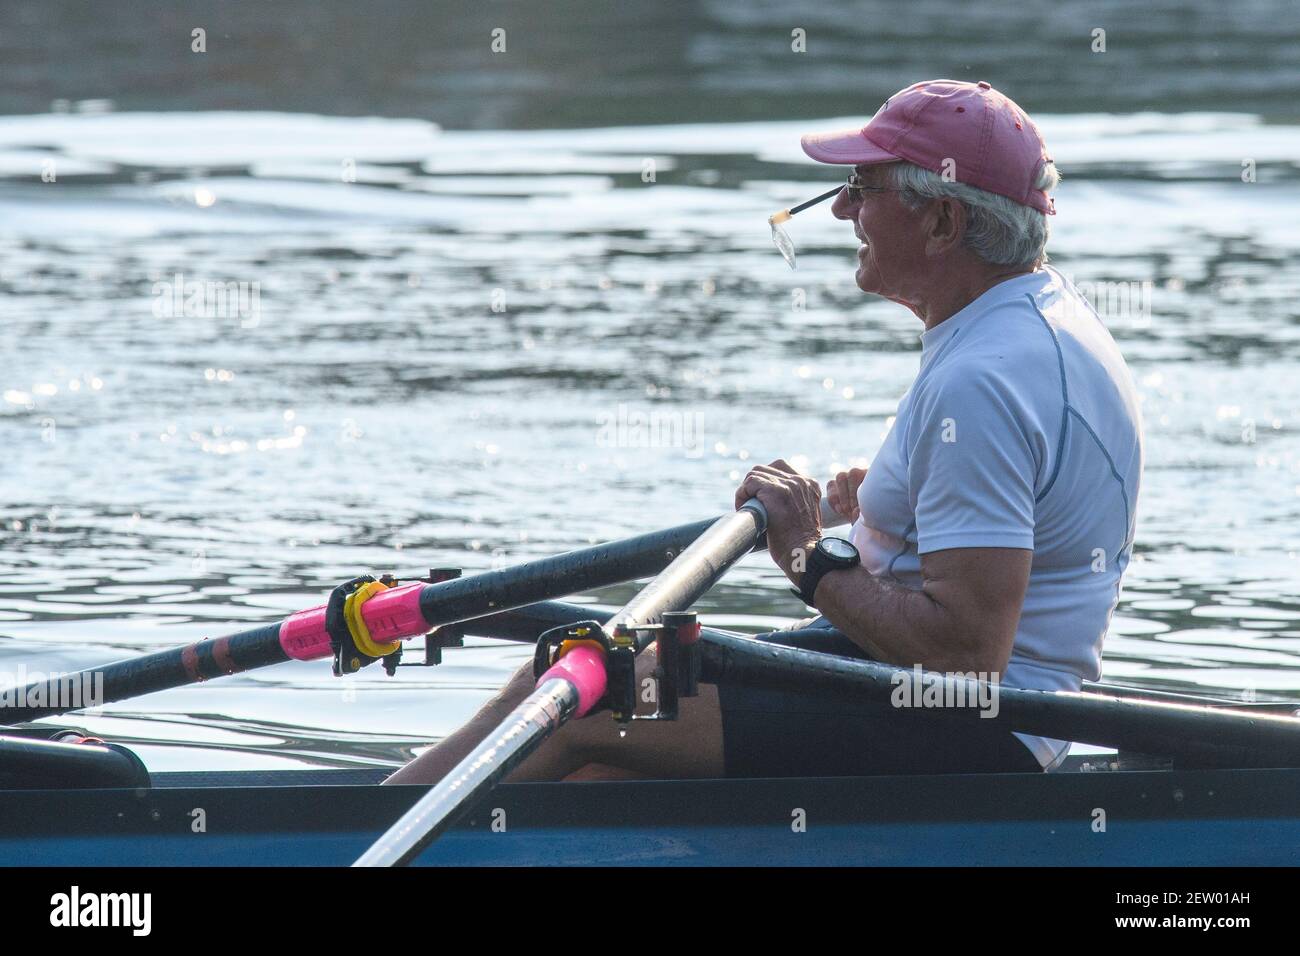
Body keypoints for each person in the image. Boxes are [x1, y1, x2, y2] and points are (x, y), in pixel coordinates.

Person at [385, 79, 1143, 786]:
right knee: (603, 732)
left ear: (943, 220)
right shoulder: (1046, 321)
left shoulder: (982, 379)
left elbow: (964, 657)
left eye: (864, 188)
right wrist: (892, 502)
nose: (843, 210)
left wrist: (807, 554)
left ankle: (342, 835)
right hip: (975, 703)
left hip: (975, 728)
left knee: (578, 698)